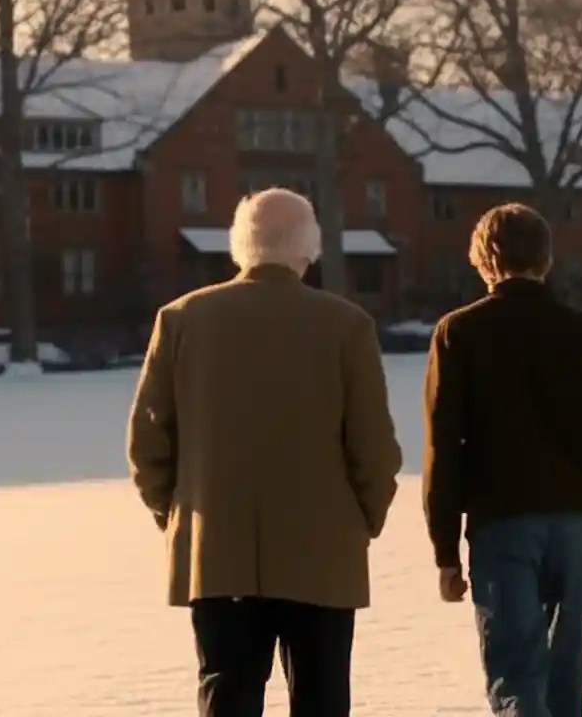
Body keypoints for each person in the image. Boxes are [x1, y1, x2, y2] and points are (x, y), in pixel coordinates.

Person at [127, 188, 402, 717]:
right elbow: (374, 448)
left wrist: (180, 513)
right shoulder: (346, 326)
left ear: (238, 246)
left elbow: (148, 441)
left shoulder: (181, 319)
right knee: (321, 697)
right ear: (310, 248)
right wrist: (362, 520)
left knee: (227, 694)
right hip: (323, 551)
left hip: (218, 549)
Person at [422, 203, 582, 717]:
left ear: (483, 260)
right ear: (546, 259)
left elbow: (443, 449)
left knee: (516, 671)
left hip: (500, 522)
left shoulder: (459, 333)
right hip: (573, 523)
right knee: (565, 674)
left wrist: (445, 550)